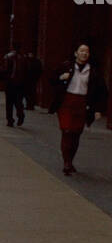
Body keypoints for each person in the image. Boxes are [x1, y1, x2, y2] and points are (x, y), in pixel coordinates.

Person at [48, 43, 107, 175]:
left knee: (76, 133)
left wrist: (98, 109)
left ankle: (70, 159)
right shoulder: (66, 66)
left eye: (86, 51)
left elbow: (101, 91)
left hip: (82, 104)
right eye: (81, 51)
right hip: (66, 103)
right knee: (67, 131)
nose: (84, 53)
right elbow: (51, 80)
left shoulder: (93, 71)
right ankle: (66, 162)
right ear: (76, 53)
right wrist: (60, 78)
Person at [1, 42, 32, 126]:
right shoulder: (24, 58)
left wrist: (4, 80)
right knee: (18, 101)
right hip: (21, 83)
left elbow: (4, 70)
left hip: (10, 83)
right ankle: (20, 115)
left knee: (9, 103)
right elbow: (28, 71)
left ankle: (10, 120)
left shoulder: (8, 56)